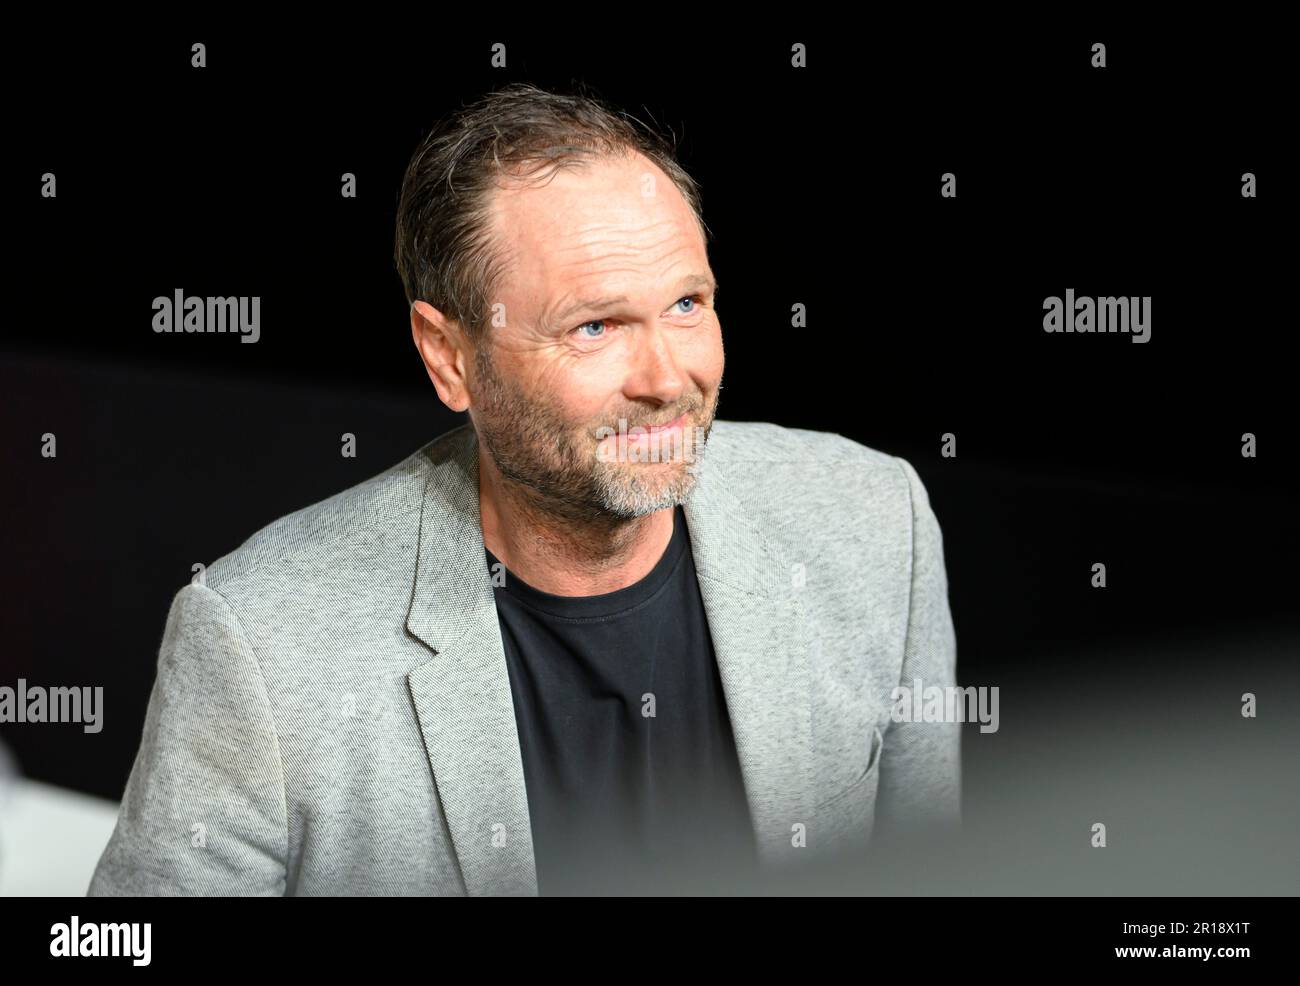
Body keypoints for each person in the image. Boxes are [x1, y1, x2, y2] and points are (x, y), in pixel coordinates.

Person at [88, 83, 960, 896]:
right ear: (450, 356)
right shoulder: (263, 641)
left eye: (688, 305)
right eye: (595, 325)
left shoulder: (873, 521)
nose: (667, 377)